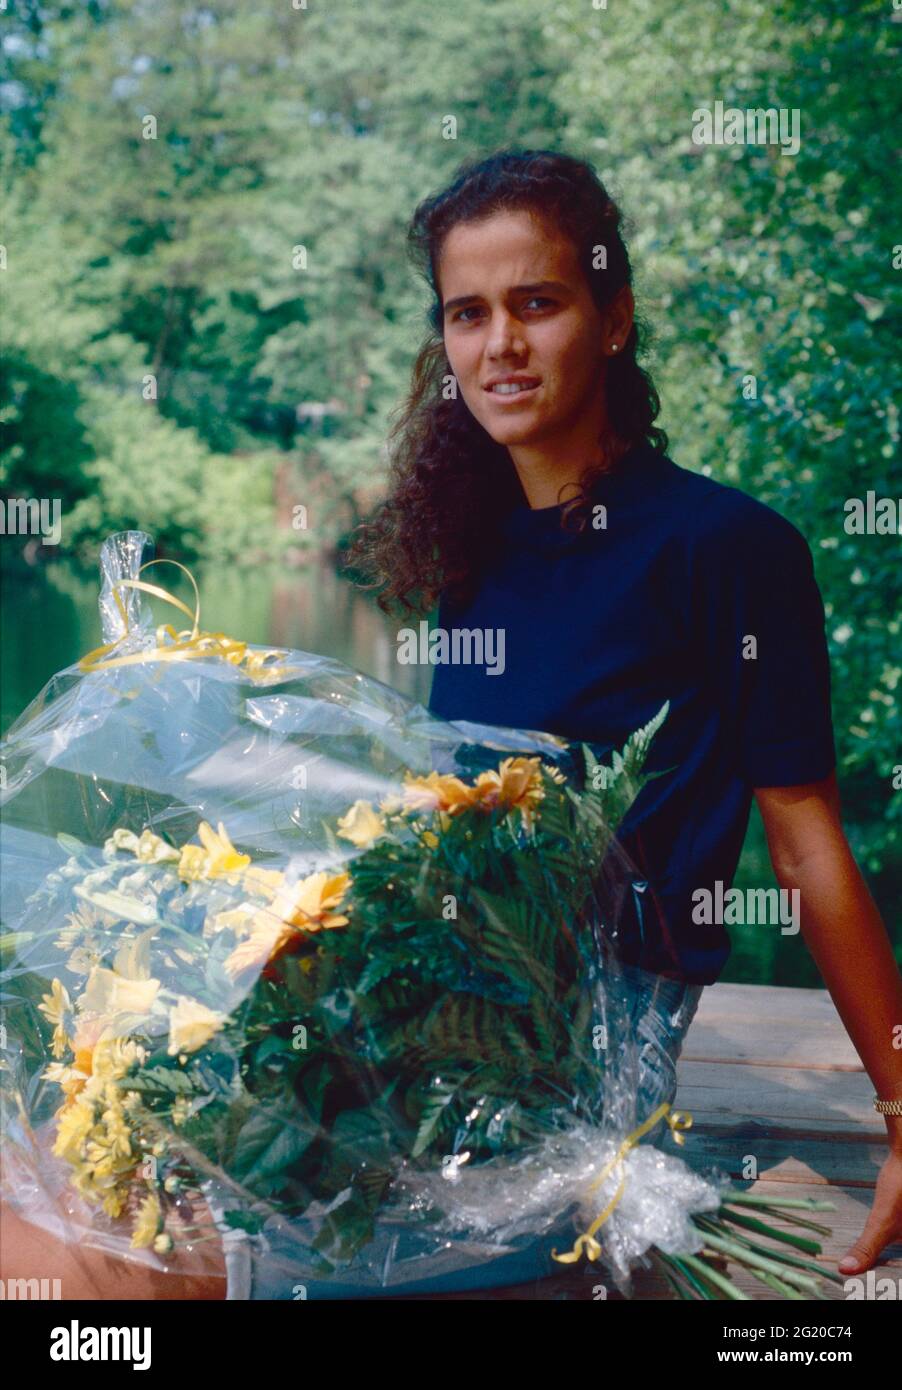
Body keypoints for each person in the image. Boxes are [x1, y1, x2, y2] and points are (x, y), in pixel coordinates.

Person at [346, 147, 902, 1279]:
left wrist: (901, 1109)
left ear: (611, 319)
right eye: (466, 314)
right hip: (431, 1003)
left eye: (535, 303)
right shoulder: (465, 544)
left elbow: (802, 846)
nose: (497, 344)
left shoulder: (726, 549)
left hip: (589, 1063)